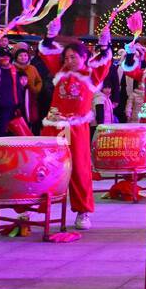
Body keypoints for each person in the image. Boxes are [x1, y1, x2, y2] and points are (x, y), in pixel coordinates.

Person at [39, 24, 113, 231]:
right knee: (47, 167)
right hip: (54, 127)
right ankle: (37, 208)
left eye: (74, 57)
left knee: (79, 169)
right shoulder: (60, 71)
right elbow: (48, 52)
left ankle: (83, 211)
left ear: (84, 58)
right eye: (67, 57)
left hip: (76, 129)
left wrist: (105, 43)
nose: (70, 61)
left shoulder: (91, 74)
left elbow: (104, 62)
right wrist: (51, 34)